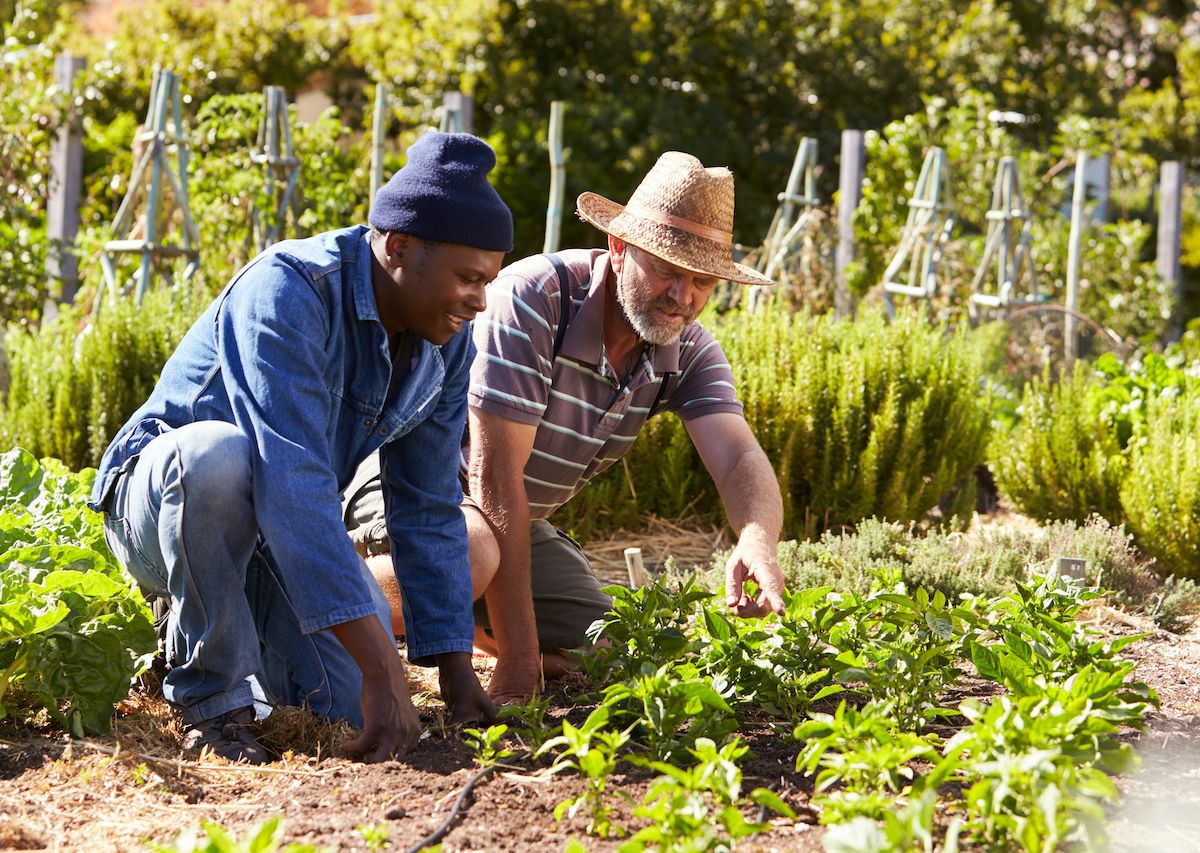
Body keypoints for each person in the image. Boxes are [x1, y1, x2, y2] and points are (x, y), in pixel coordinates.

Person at [89, 132, 509, 763]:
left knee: (348, 707)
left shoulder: (445, 345)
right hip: (163, 506)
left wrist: (454, 673)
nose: (480, 301)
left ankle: (238, 636)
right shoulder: (291, 289)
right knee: (217, 456)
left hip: (272, 530)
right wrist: (384, 665)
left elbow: (426, 505)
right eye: (468, 279)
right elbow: (291, 479)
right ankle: (214, 702)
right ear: (398, 247)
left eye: (489, 281)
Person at [347, 151, 789, 702]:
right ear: (619, 248)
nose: (683, 297)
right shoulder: (536, 298)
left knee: (619, 646)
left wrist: (756, 538)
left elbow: (739, 457)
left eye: (702, 281)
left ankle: (458, 624)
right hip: (412, 490)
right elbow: (493, 475)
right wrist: (518, 661)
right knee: (470, 554)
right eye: (668, 271)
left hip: (511, 522)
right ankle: (307, 613)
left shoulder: (687, 349)